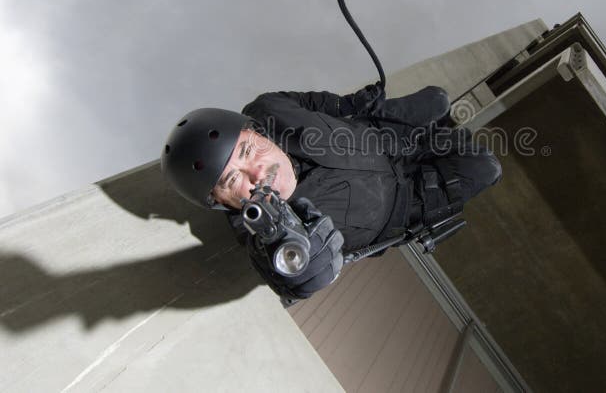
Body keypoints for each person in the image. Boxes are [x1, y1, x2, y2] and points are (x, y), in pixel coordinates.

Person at [161, 84, 502, 304]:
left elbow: (309, 101)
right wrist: (300, 270)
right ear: (221, 203)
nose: (255, 173)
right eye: (232, 179)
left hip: (382, 137)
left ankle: (431, 138)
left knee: (437, 99)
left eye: (248, 151)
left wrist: (350, 103)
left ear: (256, 130)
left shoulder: (267, 108)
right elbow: (288, 271)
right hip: (408, 198)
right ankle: (439, 148)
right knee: (486, 167)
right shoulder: (273, 231)